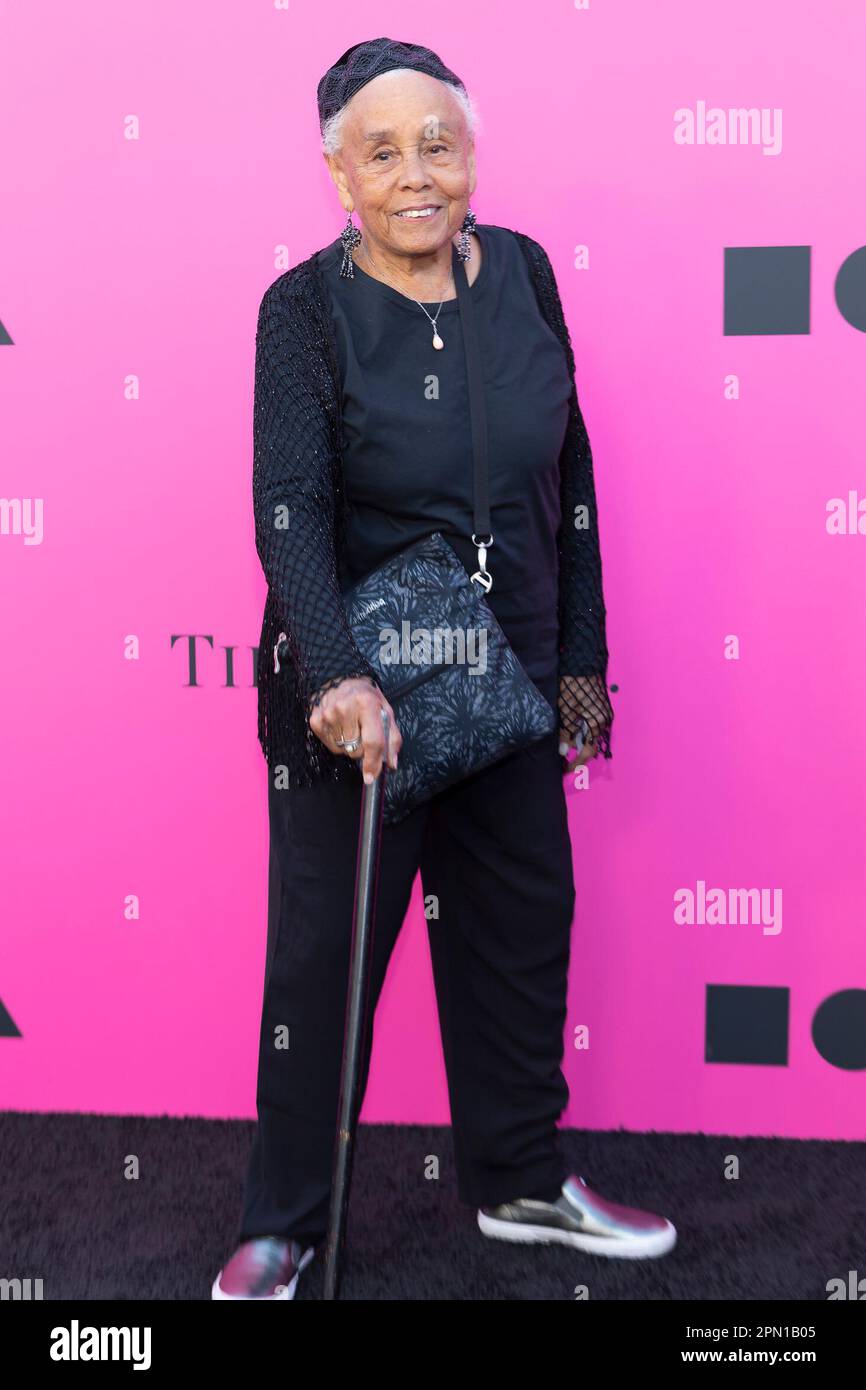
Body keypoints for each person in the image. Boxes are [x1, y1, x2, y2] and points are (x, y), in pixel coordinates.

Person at [213, 37, 675, 1301]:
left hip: (506, 679)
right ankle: (286, 1225)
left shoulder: (520, 271)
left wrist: (577, 661)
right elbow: (290, 508)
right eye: (382, 150)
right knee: (323, 964)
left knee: (523, 934)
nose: (416, 171)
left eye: (438, 142)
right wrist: (338, 675)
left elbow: (564, 473)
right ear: (336, 174)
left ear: (471, 153)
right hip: (361, 688)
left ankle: (521, 1179)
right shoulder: (301, 312)